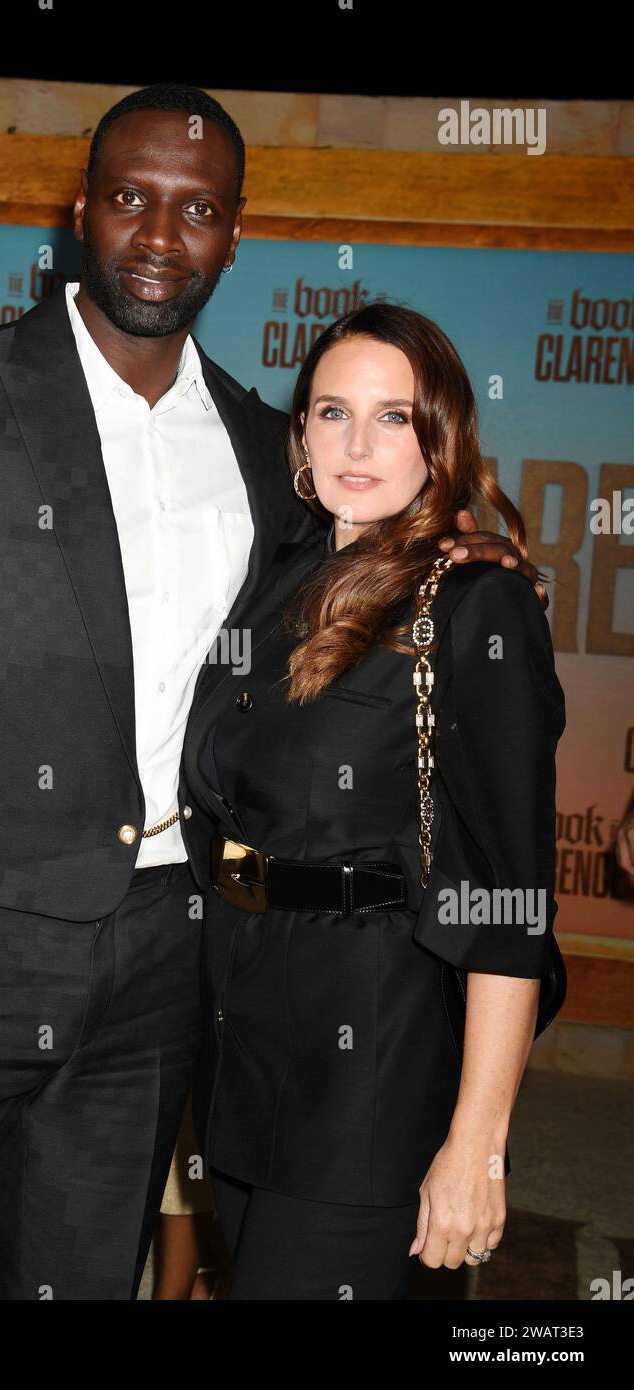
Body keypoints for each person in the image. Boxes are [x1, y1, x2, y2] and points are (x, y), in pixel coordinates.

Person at [0, 84, 545, 1301]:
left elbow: (372, 551)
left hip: (166, 972)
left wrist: (465, 541)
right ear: (80, 210)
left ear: (235, 235)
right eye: (131, 198)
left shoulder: (261, 445)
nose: (158, 233)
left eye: (197, 210)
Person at [180, 302, 567, 1300]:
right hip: (245, 1036)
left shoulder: (477, 602)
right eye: (331, 411)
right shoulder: (279, 579)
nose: (357, 444)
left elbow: (510, 906)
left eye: (393, 417)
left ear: (439, 437)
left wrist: (479, 1140)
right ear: (298, 434)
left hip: (376, 1060)